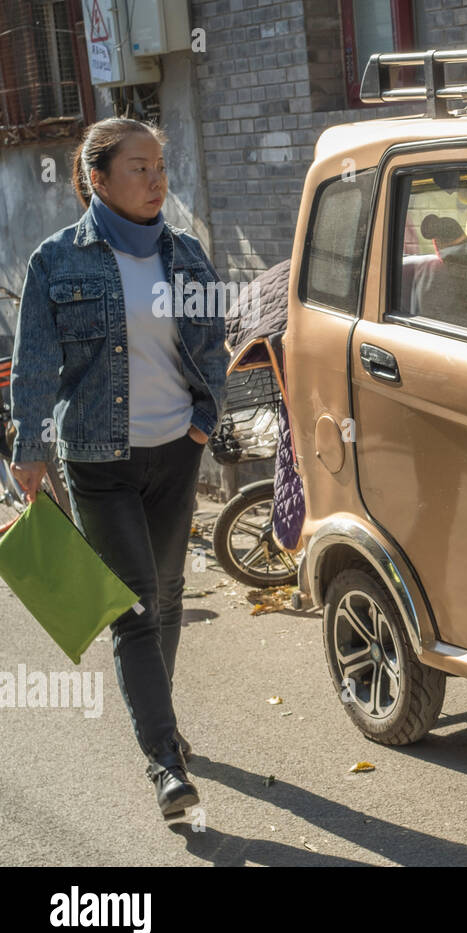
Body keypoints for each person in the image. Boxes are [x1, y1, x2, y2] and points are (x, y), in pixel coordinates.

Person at [8, 117, 229, 819]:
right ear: (96, 178)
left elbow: (215, 343)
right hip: (97, 458)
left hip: (175, 450)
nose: (157, 180)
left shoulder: (188, 255)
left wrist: (205, 418)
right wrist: (30, 450)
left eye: (161, 167)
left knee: (166, 594)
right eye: (140, 168)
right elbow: (37, 365)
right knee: (134, 605)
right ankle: (164, 761)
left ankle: (158, 723)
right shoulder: (55, 262)